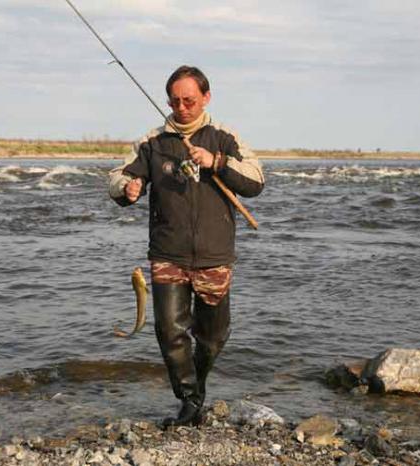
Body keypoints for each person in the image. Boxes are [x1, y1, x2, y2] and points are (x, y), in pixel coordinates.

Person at [109, 65, 264, 427]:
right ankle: (190, 400)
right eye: (175, 101)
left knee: (212, 336)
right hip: (167, 253)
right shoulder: (153, 142)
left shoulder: (224, 137)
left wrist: (218, 162)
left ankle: (198, 385)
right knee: (169, 329)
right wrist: (127, 189)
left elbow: (256, 181)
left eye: (189, 101)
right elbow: (118, 176)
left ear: (206, 98)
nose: (181, 108)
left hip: (214, 255)